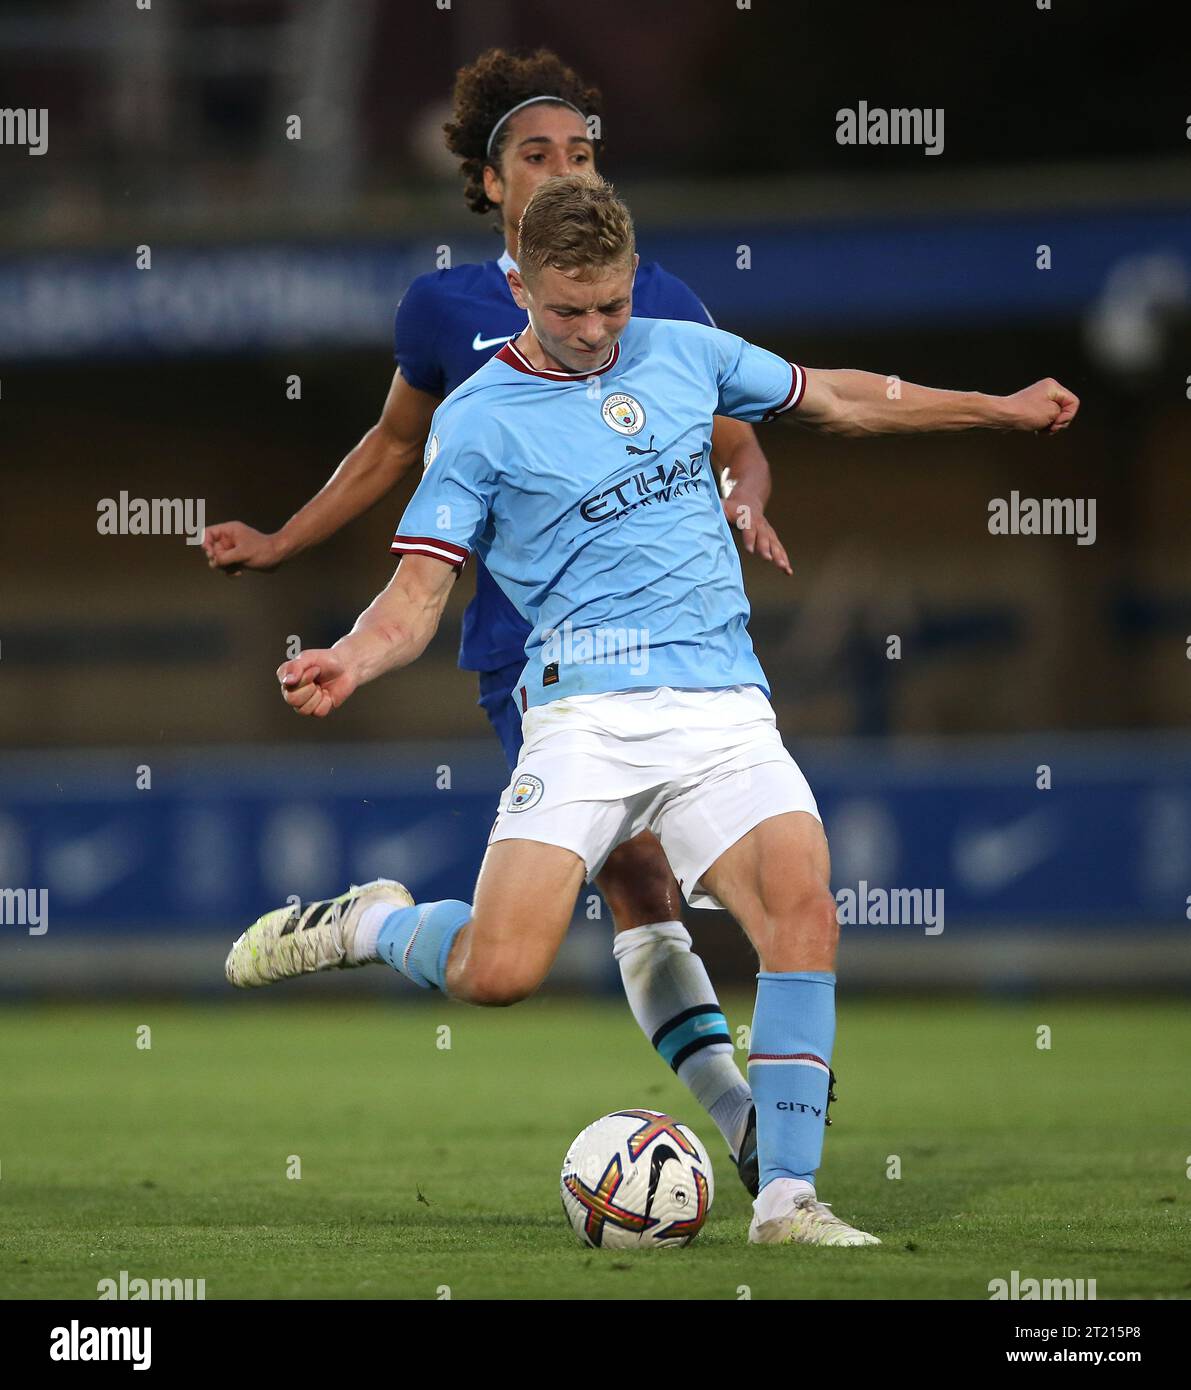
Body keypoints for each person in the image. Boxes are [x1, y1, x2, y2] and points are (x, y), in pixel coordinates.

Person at [224, 175, 1079, 1246]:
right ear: (523, 285)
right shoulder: (477, 419)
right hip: (583, 717)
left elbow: (843, 398)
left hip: (723, 706)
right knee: (500, 972)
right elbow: (419, 592)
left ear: (634, 283)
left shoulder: (685, 351)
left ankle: (787, 1199)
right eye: (567, 309)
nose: (592, 332)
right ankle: (368, 920)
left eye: (611, 307)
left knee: (804, 910)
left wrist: (995, 405)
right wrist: (350, 656)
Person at [203, 49, 792, 1196]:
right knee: (637, 883)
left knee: (666, 886)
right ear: (487, 183)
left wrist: (747, 495)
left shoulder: (654, 297)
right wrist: (283, 538)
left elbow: (742, 434)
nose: (565, 166)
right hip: (536, 653)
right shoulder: (445, 309)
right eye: (538, 153)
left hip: (673, 646)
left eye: (582, 150)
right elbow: (390, 448)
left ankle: (749, 1123)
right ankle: (743, 1119)